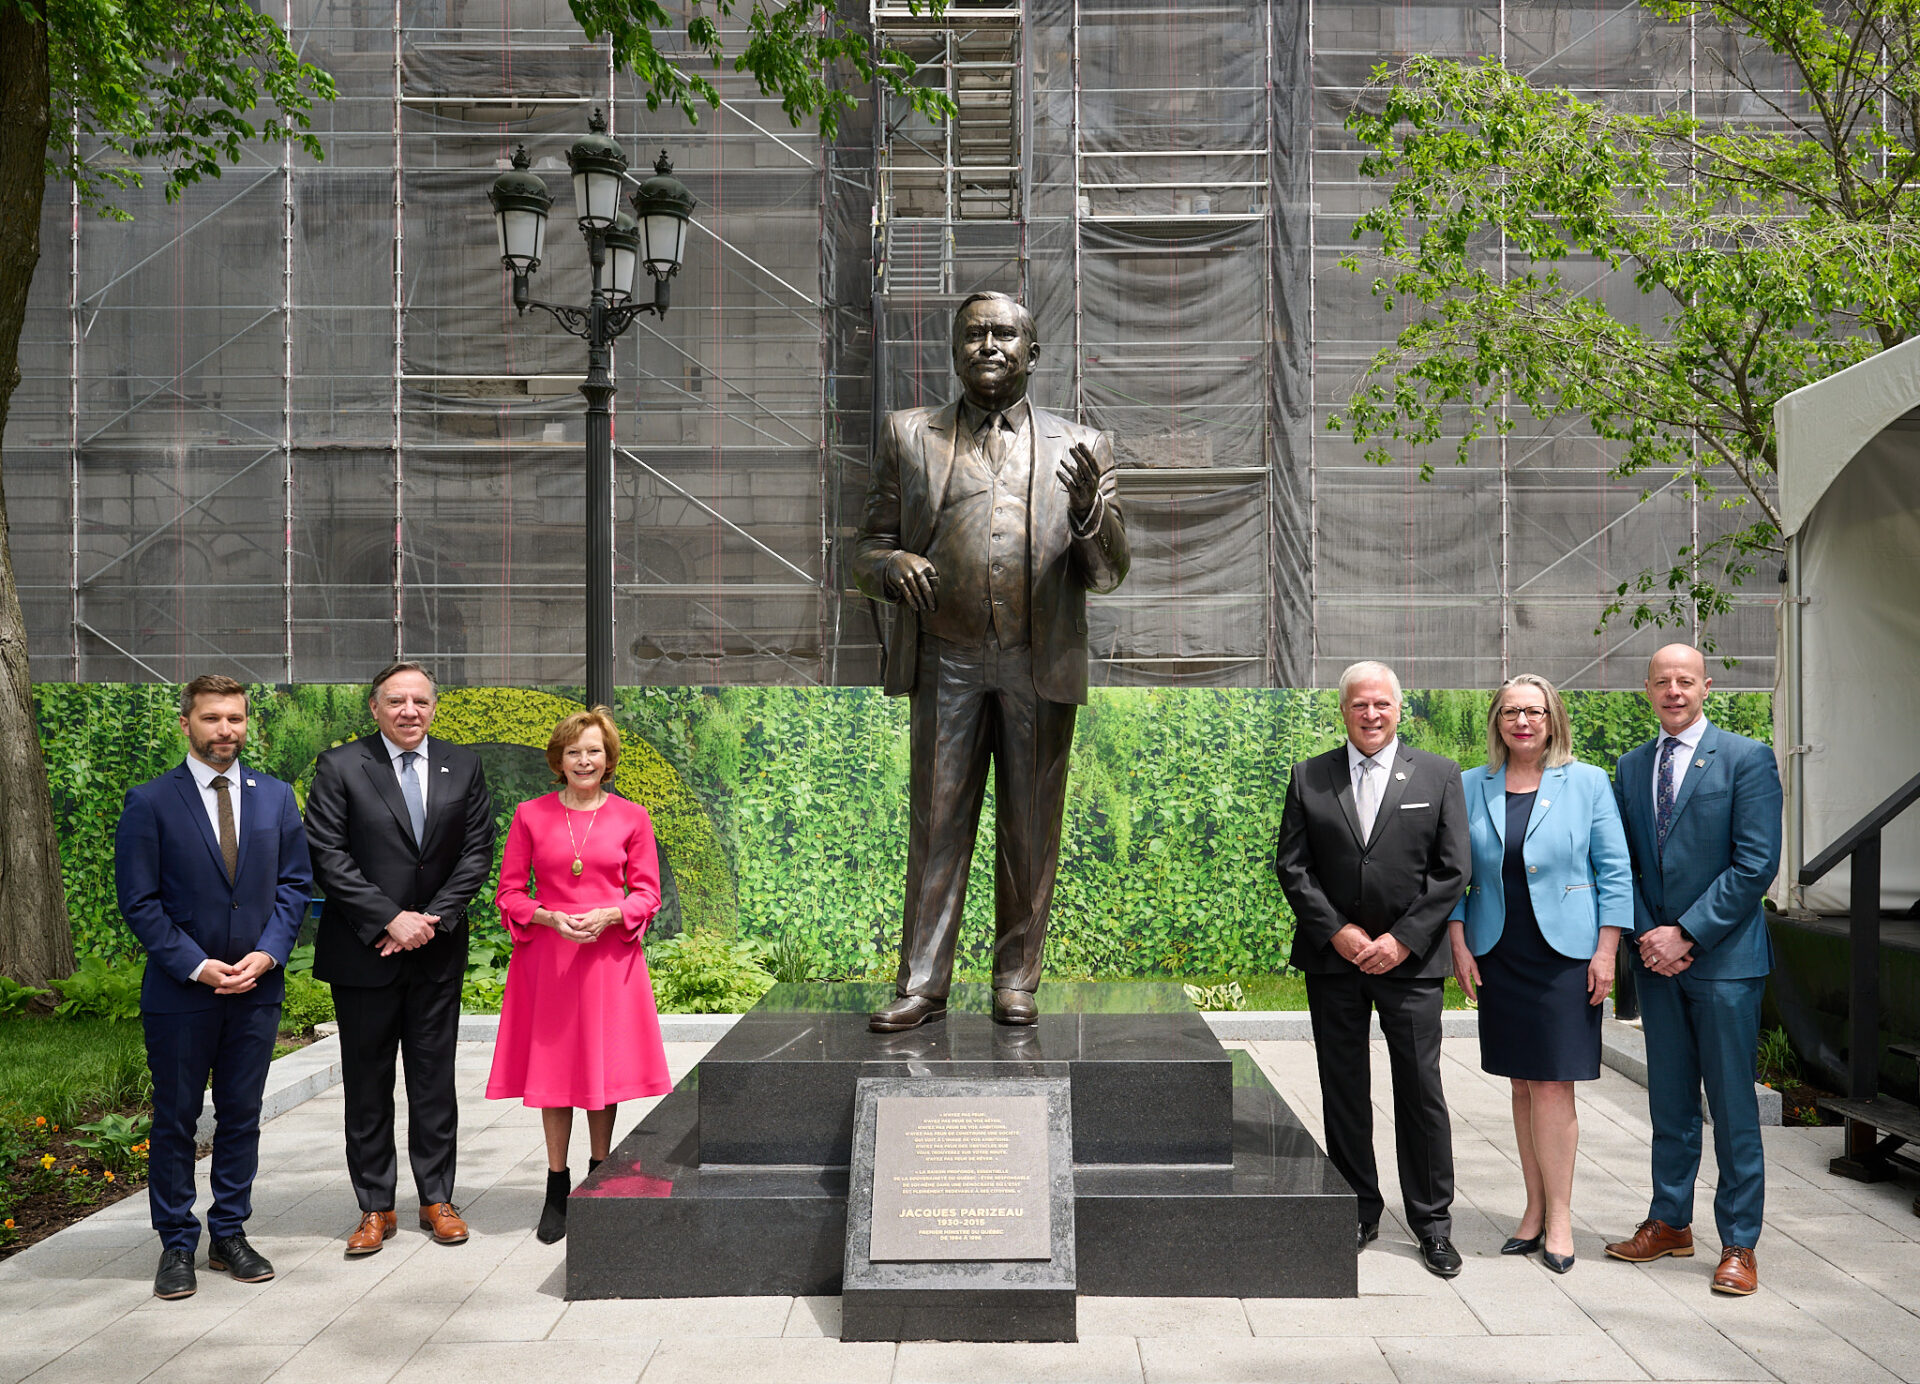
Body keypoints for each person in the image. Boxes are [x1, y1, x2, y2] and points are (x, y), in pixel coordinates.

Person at [851, 291, 1130, 1032]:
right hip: (946, 658)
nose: (989, 345)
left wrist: (1087, 514)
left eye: (1006, 334)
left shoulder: (1083, 448)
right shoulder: (909, 435)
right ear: (953, 349)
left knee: (1030, 830)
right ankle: (922, 983)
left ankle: (1016, 979)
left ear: (1032, 353)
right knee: (937, 822)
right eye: (974, 334)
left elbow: (1108, 573)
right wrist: (891, 565)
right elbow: (863, 548)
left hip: (1038, 662)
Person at [114, 674, 313, 1300]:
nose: (226, 729)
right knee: (175, 1116)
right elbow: (140, 903)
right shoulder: (149, 802)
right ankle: (176, 1241)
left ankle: (229, 1233)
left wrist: (268, 954)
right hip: (181, 992)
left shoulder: (277, 797)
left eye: (235, 718)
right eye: (212, 719)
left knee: (241, 1116)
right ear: (186, 724)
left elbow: (293, 887)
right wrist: (197, 965)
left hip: (255, 988)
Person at [1273, 660, 1470, 1278]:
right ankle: (1358, 1208)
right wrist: (1339, 933)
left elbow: (1452, 869)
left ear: (1398, 708)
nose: (1371, 714)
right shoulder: (1310, 776)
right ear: (1344, 710)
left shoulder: (1438, 775)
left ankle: (1433, 1223)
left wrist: (1403, 939)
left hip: (1409, 965)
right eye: (1360, 704)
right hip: (1336, 964)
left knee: (1420, 1090)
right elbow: (1293, 867)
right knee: (1344, 1090)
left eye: (1382, 703)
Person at [1604, 644, 1781, 1296]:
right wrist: (1650, 937)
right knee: (1669, 1101)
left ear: (1706, 685)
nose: (1674, 690)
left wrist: (1689, 934)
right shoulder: (1630, 766)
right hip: (1657, 963)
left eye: (1686, 680)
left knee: (1733, 1108)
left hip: (1725, 963)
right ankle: (1670, 1221)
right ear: (1646, 688)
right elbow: (1623, 860)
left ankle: (1740, 1243)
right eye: (1662, 681)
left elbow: (1755, 864)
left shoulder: (1747, 758)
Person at [305, 662, 496, 1255]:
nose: (409, 711)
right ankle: (374, 1207)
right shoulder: (340, 766)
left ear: (434, 706)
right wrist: (390, 918)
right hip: (365, 952)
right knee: (368, 1085)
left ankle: (437, 1198)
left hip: (435, 952)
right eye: (396, 701)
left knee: (434, 1081)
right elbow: (327, 854)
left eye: (420, 700)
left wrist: (429, 919)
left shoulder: (462, 764)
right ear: (374, 708)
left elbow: (477, 849)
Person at [1448, 674, 1632, 1274]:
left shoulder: (1587, 783)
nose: (1522, 722)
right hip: (1498, 950)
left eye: (1533, 712)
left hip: (1566, 956)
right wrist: (1458, 941)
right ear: (1497, 722)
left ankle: (1560, 1219)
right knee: (1521, 1084)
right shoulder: (1471, 785)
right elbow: (1451, 872)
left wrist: (1606, 952)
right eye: (1510, 712)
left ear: (1552, 719)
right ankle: (1531, 1210)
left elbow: (1615, 872)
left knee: (1554, 1084)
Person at [487, 707, 671, 1243]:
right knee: (553, 1076)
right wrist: (548, 916)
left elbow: (647, 893)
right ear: (559, 760)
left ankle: (601, 1175)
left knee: (601, 1069)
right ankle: (556, 1185)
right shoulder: (529, 815)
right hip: (548, 961)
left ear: (608, 758)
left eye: (593, 750)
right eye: (573, 752)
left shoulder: (633, 817)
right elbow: (509, 894)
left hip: (608, 959)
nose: (584, 760)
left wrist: (611, 913)